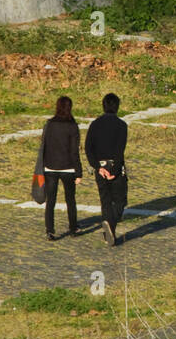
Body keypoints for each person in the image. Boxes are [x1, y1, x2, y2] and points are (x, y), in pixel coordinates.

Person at [85, 92, 128, 246]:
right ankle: (111, 225)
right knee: (120, 200)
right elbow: (119, 150)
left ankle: (107, 230)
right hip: (115, 166)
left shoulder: (95, 124)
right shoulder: (122, 125)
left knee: (105, 200)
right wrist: (115, 170)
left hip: (100, 166)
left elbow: (88, 148)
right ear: (117, 107)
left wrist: (97, 167)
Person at [41, 96, 82, 240]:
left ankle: (50, 230)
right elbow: (74, 151)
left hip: (50, 167)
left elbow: (44, 146)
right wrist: (79, 172)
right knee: (70, 199)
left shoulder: (49, 124)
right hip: (68, 168)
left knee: (50, 200)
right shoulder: (72, 126)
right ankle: (73, 228)